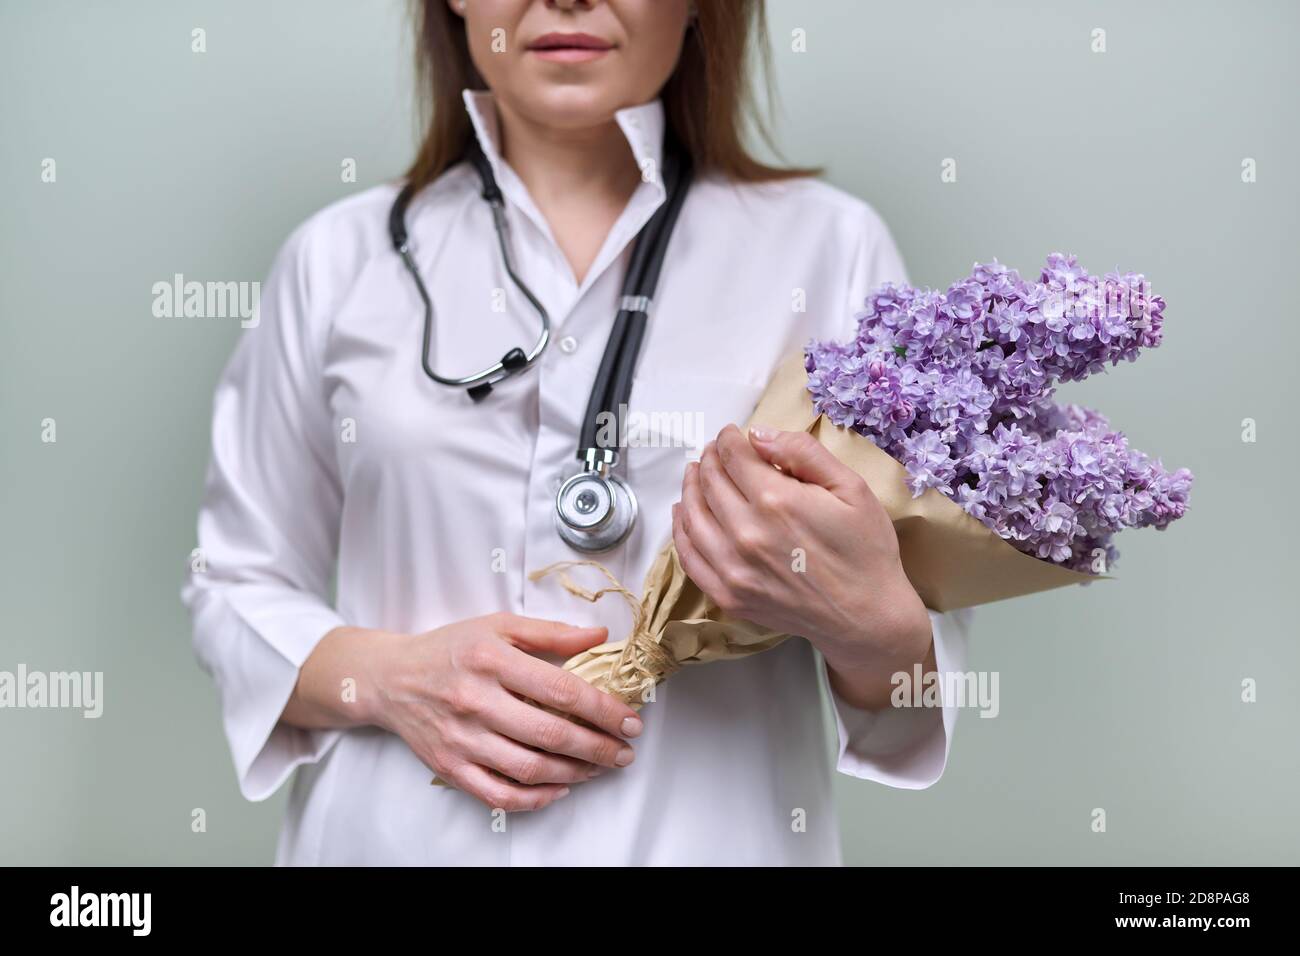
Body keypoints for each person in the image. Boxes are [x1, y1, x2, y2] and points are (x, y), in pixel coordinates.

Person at [183, 0, 971, 866]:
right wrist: (389, 679)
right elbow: (232, 587)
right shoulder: (335, 258)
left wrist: (872, 630)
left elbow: (906, 706)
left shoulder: (830, 248)